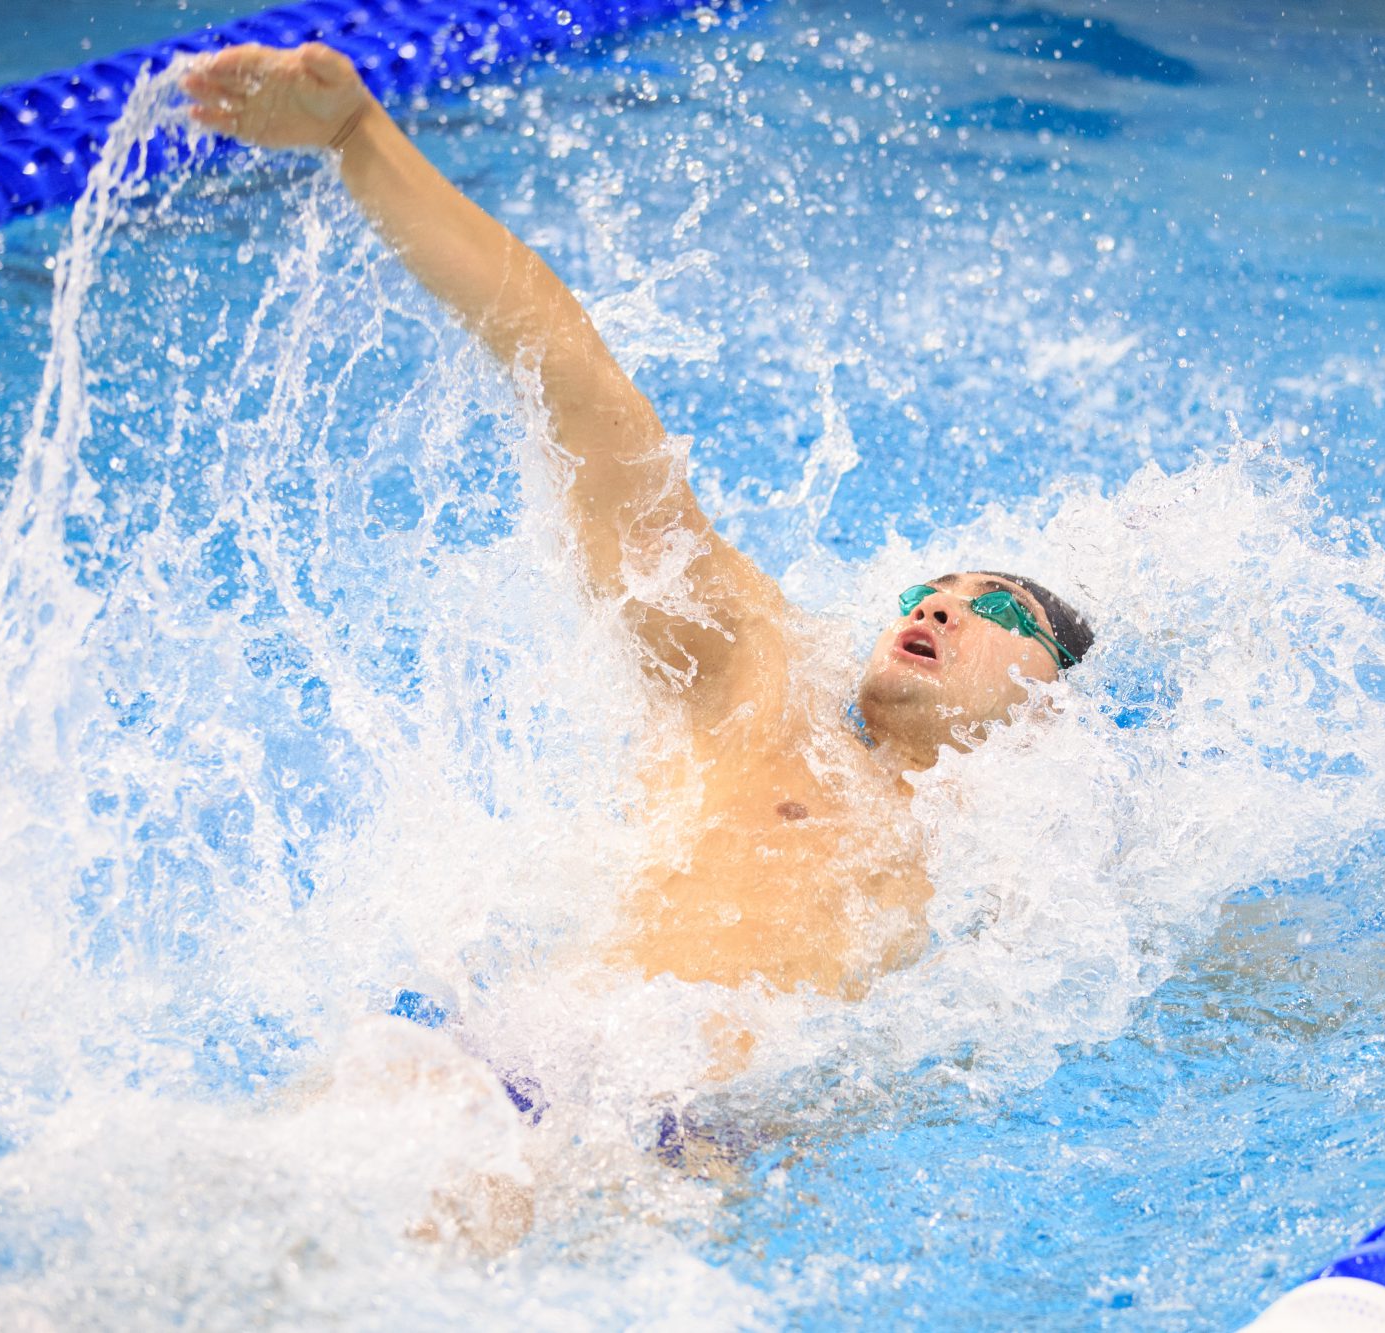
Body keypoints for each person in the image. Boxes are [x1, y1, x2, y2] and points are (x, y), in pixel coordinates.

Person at [179, 43, 1095, 1004]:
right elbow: (573, 376)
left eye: (998, 610)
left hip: (719, 1146)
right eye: (932, 591)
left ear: (1052, 703)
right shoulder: (755, 690)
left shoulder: (1051, 876)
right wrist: (359, 137)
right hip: (544, 1085)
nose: (943, 609)